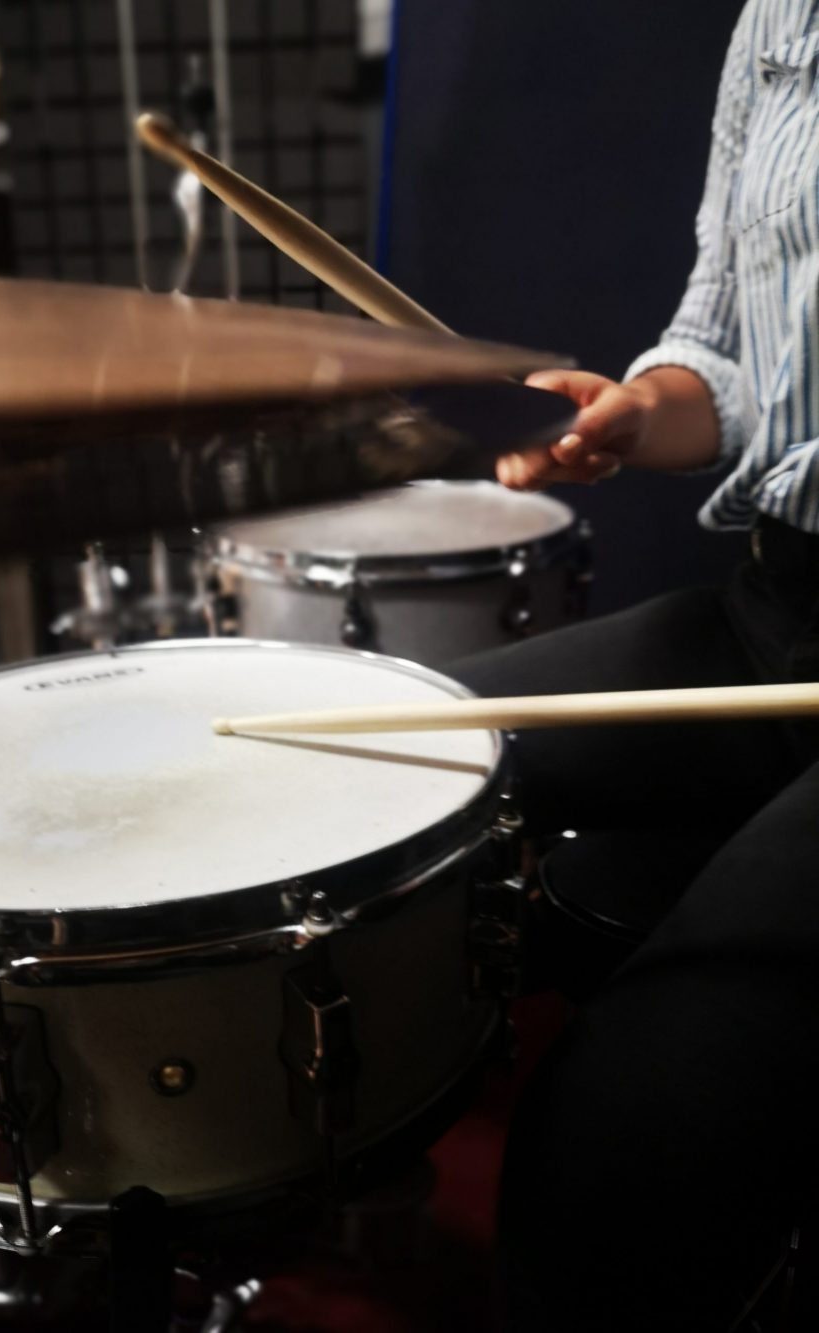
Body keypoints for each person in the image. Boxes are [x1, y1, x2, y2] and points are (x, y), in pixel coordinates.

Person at [448, 0, 819, 1327]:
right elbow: (725, 336)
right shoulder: (780, 15)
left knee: (621, 1139)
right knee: (400, 748)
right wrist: (641, 412)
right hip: (782, 607)